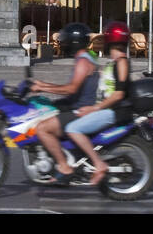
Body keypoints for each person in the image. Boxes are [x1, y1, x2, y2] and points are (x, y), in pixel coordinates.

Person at [61, 20, 133, 185]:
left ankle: (99, 164)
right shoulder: (114, 62)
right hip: (108, 109)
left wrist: (94, 109)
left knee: (72, 129)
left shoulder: (121, 62)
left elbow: (119, 94)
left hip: (114, 112)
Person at [29, 22, 100, 185]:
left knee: (42, 129)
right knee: (45, 109)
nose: (63, 44)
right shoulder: (85, 58)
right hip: (76, 105)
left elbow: (71, 89)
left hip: (80, 110)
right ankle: (64, 156)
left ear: (74, 42)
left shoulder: (83, 62)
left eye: (66, 41)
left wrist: (43, 87)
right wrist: (42, 85)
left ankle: (65, 167)